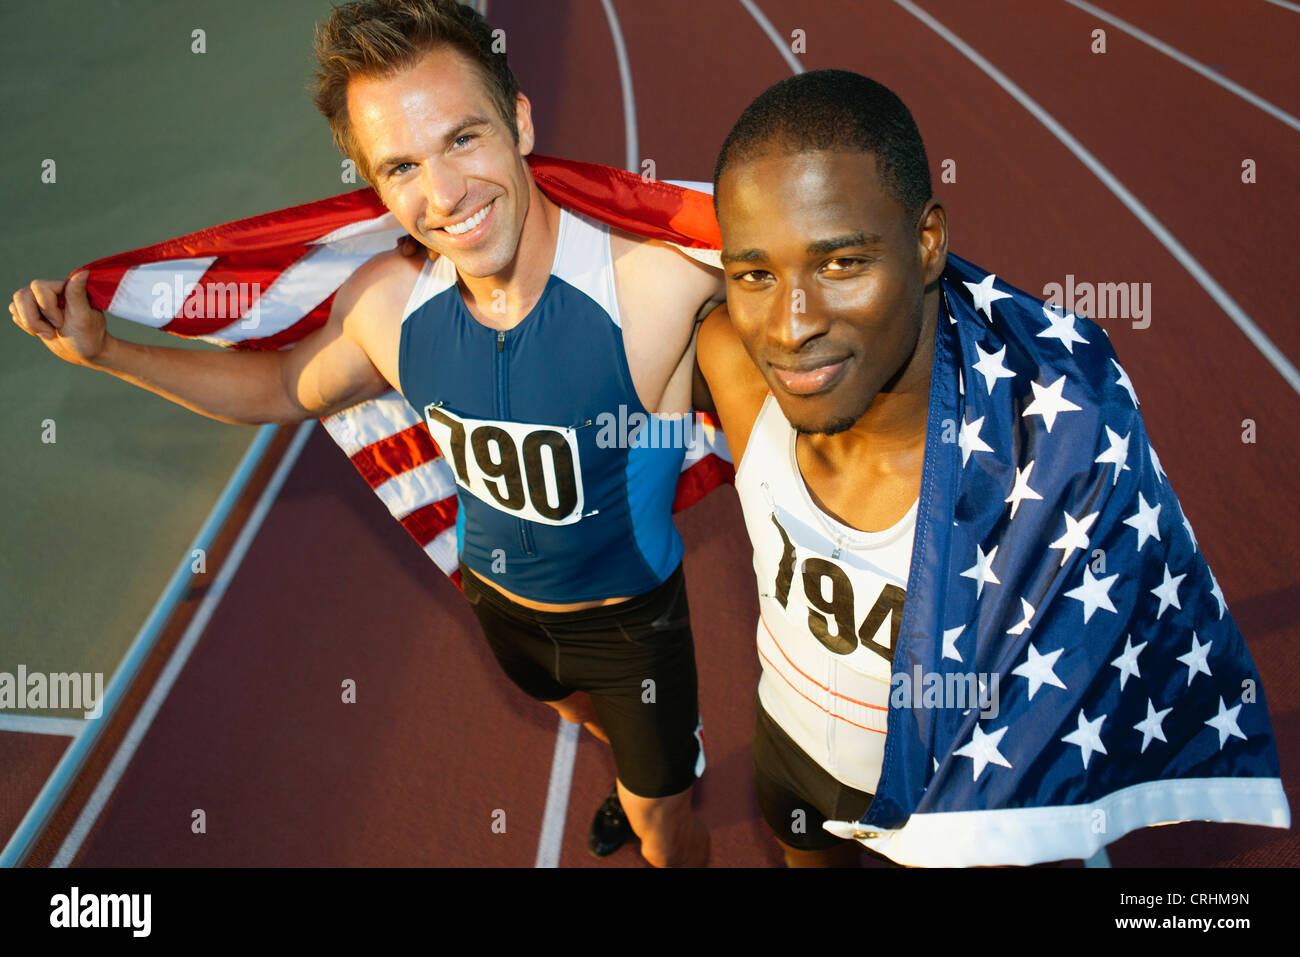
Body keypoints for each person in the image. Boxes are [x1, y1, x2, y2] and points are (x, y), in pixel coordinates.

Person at [9, 0, 720, 868]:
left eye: (464, 139)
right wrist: (108, 351)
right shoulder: (388, 304)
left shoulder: (657, 282)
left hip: (632, 630)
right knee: (570, 708)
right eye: (403, 167)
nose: (446, 193)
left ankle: (661, 795)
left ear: (521, 121)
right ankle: (625, 764)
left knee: (664, 833)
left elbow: (819, 289)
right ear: (374, 187)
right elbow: (277, 385)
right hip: (499, 610)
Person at [696, 70, 1288, 867]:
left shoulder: (1052, 466)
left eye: (840, 264)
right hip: (793, 756)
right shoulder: (734, 369)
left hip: (969, 794)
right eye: (756, 274)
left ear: (928, 241)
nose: (792, 325)